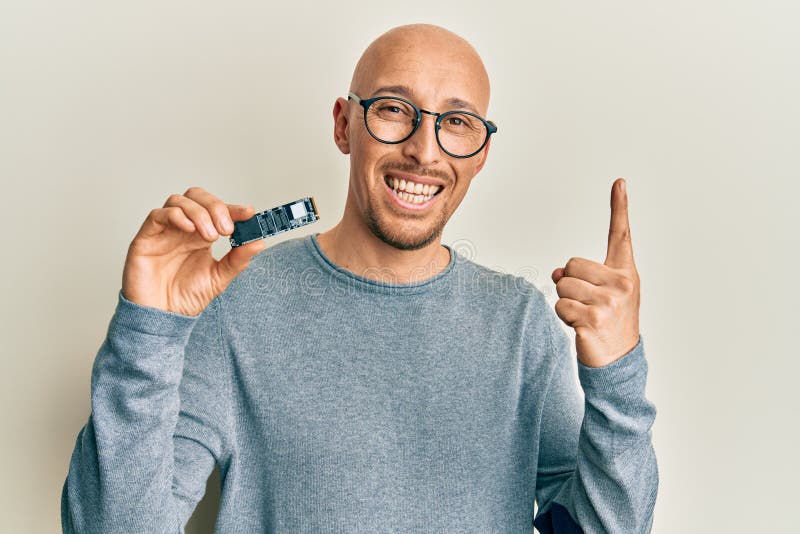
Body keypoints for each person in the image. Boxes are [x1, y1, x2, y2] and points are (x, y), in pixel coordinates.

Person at [61, 23, 658, 533]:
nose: (425, 152)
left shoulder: (522, 323)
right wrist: (149, 331)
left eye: (457, 122)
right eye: (395, 109)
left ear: (480, 154)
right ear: (345, 125)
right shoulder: (237, 302)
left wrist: (618, 378)